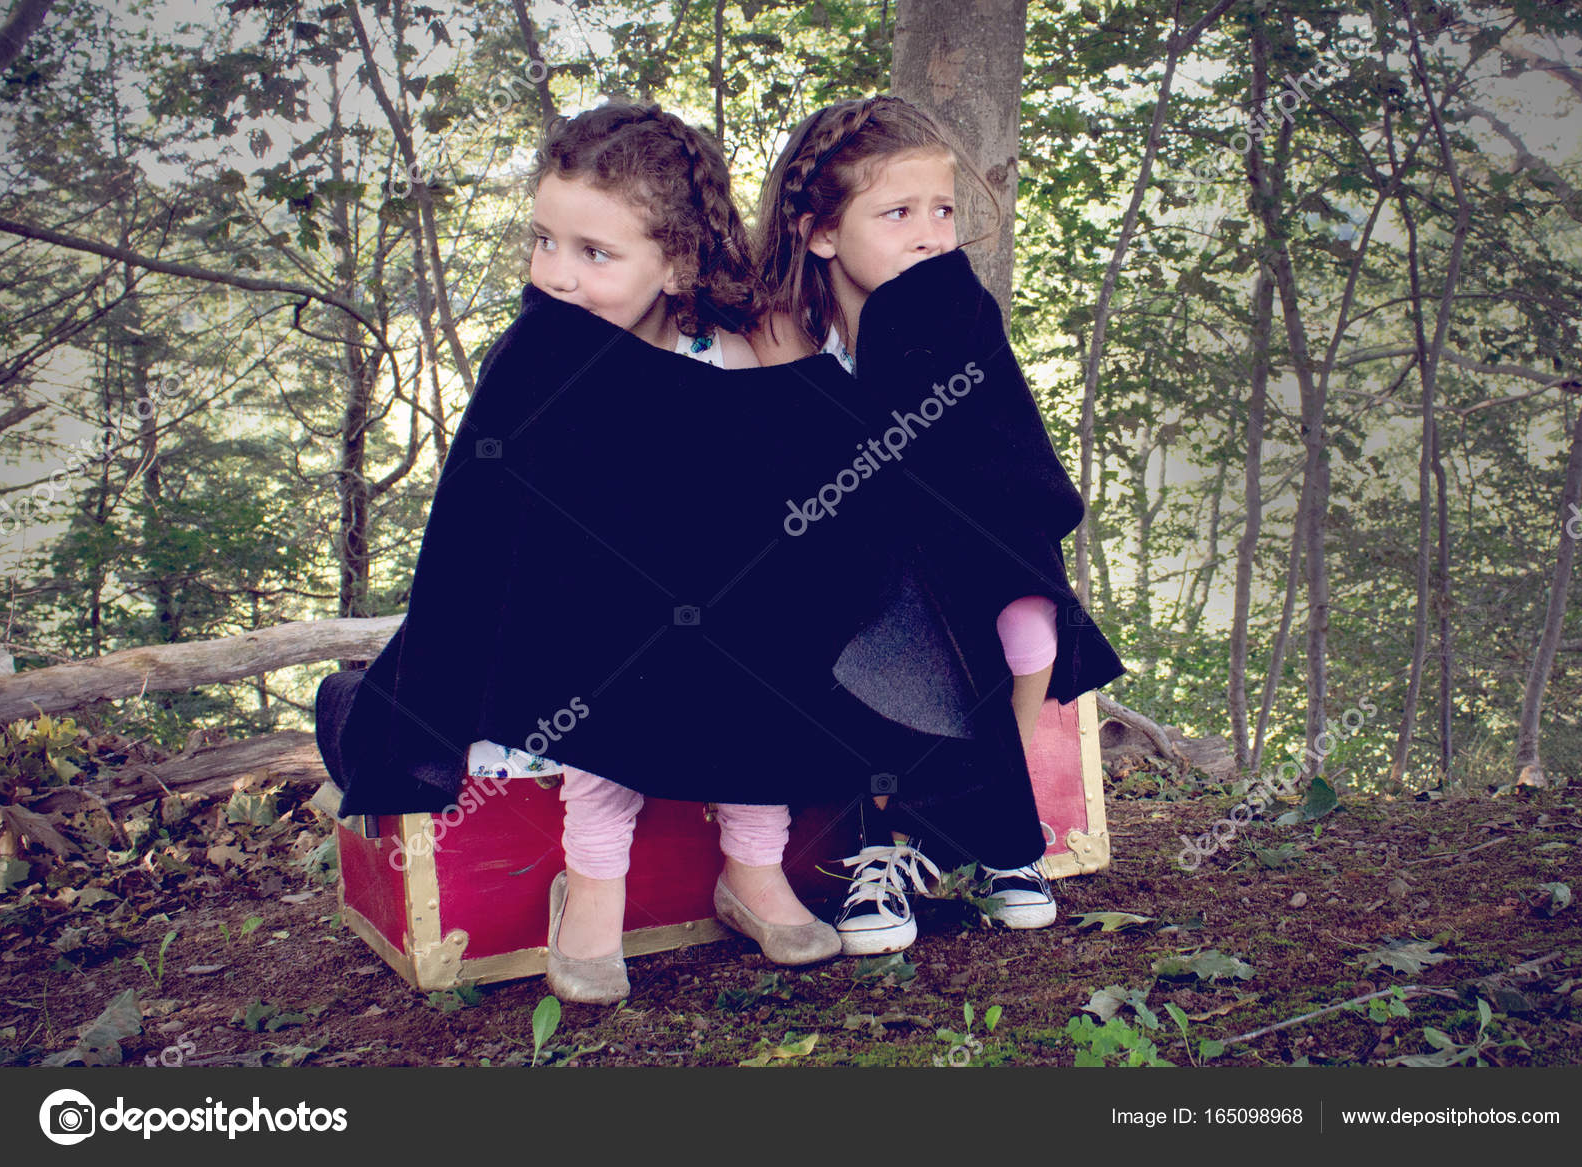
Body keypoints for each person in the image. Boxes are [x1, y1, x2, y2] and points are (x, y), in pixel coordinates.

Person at [478, 102, 840, 1003]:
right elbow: (508, 531)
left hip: (723, 625)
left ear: (675, 260)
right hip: (584, 637)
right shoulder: (539, 360)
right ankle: (594, 885)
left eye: (595, 254)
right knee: (619, 642)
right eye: (546, 241)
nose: (557, 275)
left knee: (763, 626)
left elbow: (783, 489)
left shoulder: (723, 354)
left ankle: (752, 868)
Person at [751, 95, 1125, 955]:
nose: (930, 235)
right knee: (884, 608)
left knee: (1027, 604)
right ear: (820, 233)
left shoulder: (956, 319)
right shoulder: (791, 335)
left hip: (958, 570)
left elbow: (1008, 465)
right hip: (842, 585)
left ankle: (991, 813)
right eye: (898, 213)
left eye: (943, 211)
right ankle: (887, 837)